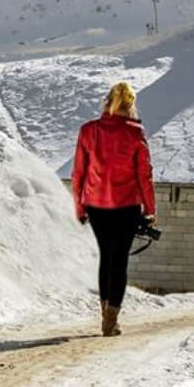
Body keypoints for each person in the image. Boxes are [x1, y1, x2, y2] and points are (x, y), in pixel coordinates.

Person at [71, 81, 156, 337]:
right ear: (130, 104)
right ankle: (111, 320)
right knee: (119, 261)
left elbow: (78, 173)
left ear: (107, 102)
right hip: (127, 206)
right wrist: (150, 209)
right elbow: (145, 175)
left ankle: (104, 312)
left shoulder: (88, 131)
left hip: (95, 205)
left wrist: (79, 208)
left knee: (106, 258)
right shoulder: (135, 132)